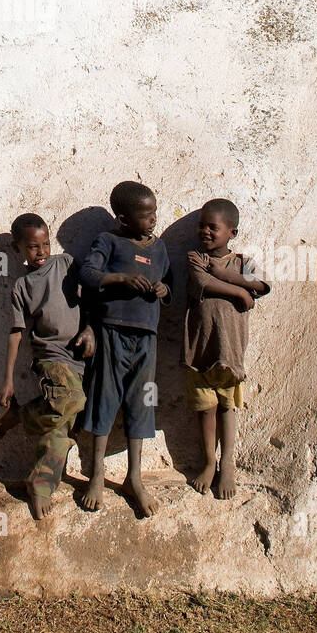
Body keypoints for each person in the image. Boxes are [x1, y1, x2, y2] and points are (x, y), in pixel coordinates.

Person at [79, 182, 173, 517]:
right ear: (123, 218)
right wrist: (119, 279)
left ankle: (134, 476)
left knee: (142, 401)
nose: (152, 220)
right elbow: (87, 274)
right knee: (104, 399)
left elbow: (170, 282)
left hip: (146, 338)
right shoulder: (109, 241)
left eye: (154, 213)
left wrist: (163, 288)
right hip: (111, 333)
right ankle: (98, 472)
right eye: (145, 215)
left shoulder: (160, 248)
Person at [0, 213, 95, 519]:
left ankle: (40, 485)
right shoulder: (22, 286)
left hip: (79, 355)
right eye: (32, 247)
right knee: (72, 400)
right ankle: (25, 416)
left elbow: (90, 297)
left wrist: (90, 328)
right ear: (17, 249)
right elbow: (16, 333)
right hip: (50, 357)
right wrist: (8, 380)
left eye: (45, 244)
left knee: (61, 424)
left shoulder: (66, 264)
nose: (41, 252)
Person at [182, 198, 270, 499]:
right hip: (200, 350)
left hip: (230, 349)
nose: (205, 232)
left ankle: (228, 462)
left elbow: (262, 284)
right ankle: (209, 461)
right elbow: (202, 282)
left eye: (213, 227)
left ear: (232, 233)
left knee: (228, 406)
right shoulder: (195, 257)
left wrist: (227, 276)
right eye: (201, 226)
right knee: (205, 407)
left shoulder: (244, 261)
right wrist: (240, 293)